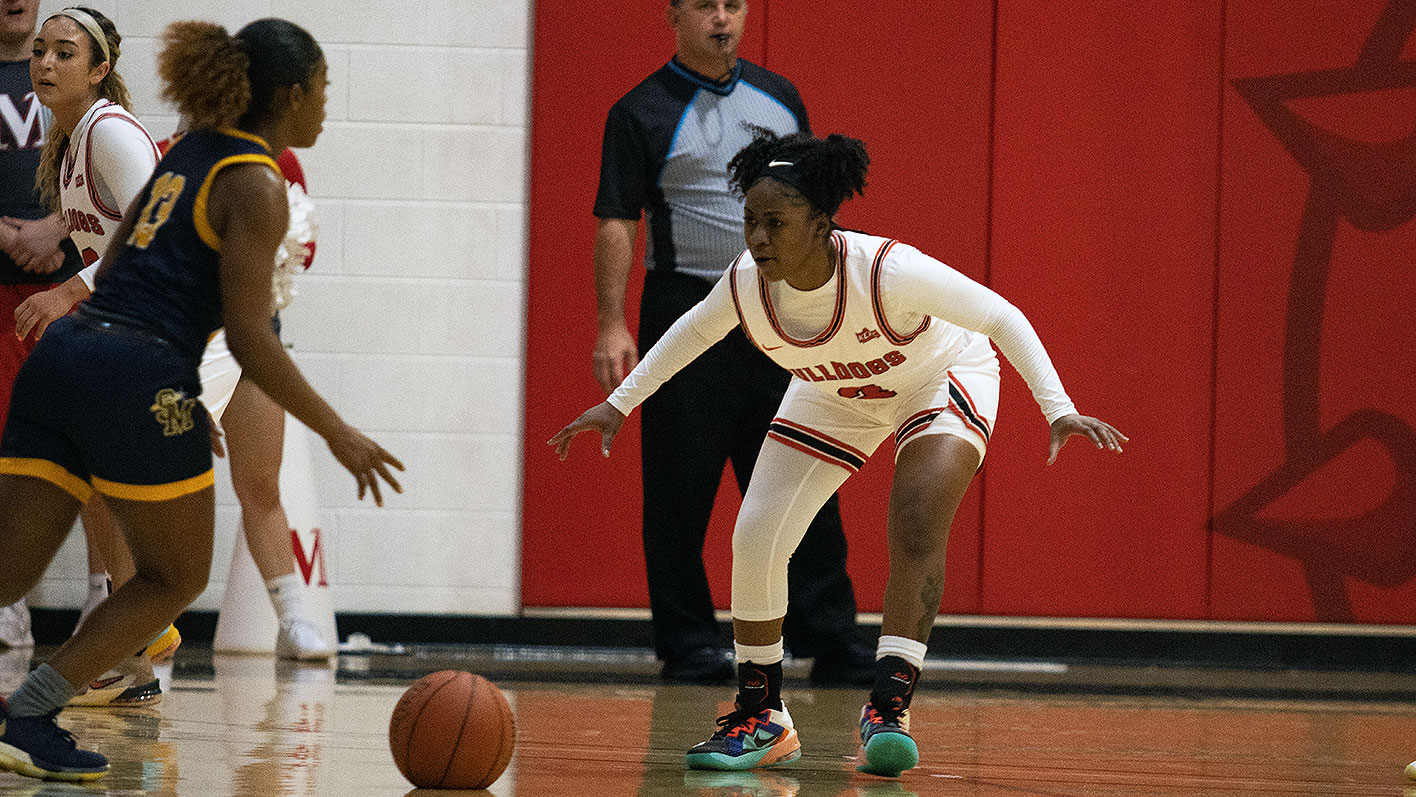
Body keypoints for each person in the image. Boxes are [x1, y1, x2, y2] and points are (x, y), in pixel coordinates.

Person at [552, 129, 1128, 777]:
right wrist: (618, 403)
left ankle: (888, 709)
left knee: (914, 523)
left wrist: (1058, 406)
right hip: (836, 391)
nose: (758, 237)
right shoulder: (746, 285)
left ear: (822, 223)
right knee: (756, 533)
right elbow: (690, 333)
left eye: (776, 222)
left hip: (938, 377)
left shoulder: (887, 271)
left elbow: (999, 315)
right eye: (750, 220)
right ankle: (761, 715)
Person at [0, 17, 401, 782]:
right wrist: (338, 430)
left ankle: (35, 710)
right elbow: (251, 340)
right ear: (289, 93)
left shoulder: (186, 152)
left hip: (69, 356)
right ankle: (32, 711)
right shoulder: (256, 182)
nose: (325, 105)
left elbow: (116, 257)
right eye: (322, 88)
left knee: (8, 571)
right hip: (137, 369)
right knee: (173, 579)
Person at [593, 0, 870, 685]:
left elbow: (813, 210)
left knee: (802, 470)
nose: (722, 19)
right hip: (687, 307)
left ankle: (829, 637)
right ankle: (688, 642)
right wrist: (611, 321)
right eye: (705, 5)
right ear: (673, 15)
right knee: (679, 487)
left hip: (777, 309)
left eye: (734, 4)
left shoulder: (779, 98)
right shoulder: (640, 112)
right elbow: (617, 221)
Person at [19, 108, 334, 662]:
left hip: (249, 331)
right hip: (178, 341)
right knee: (126, 477)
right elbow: (131, 247)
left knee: (261, 484)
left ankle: (293, 620)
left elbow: (300, 251)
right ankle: (126, 618)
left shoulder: (276, 159)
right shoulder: (159, 153)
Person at [0, 0, 83, 652]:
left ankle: (108, 595)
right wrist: (11, 233)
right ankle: (8, 601)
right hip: (2, 289)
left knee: (88, 444)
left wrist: (58, 227)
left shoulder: (83, 96)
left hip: (71, 286)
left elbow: (116, 191)